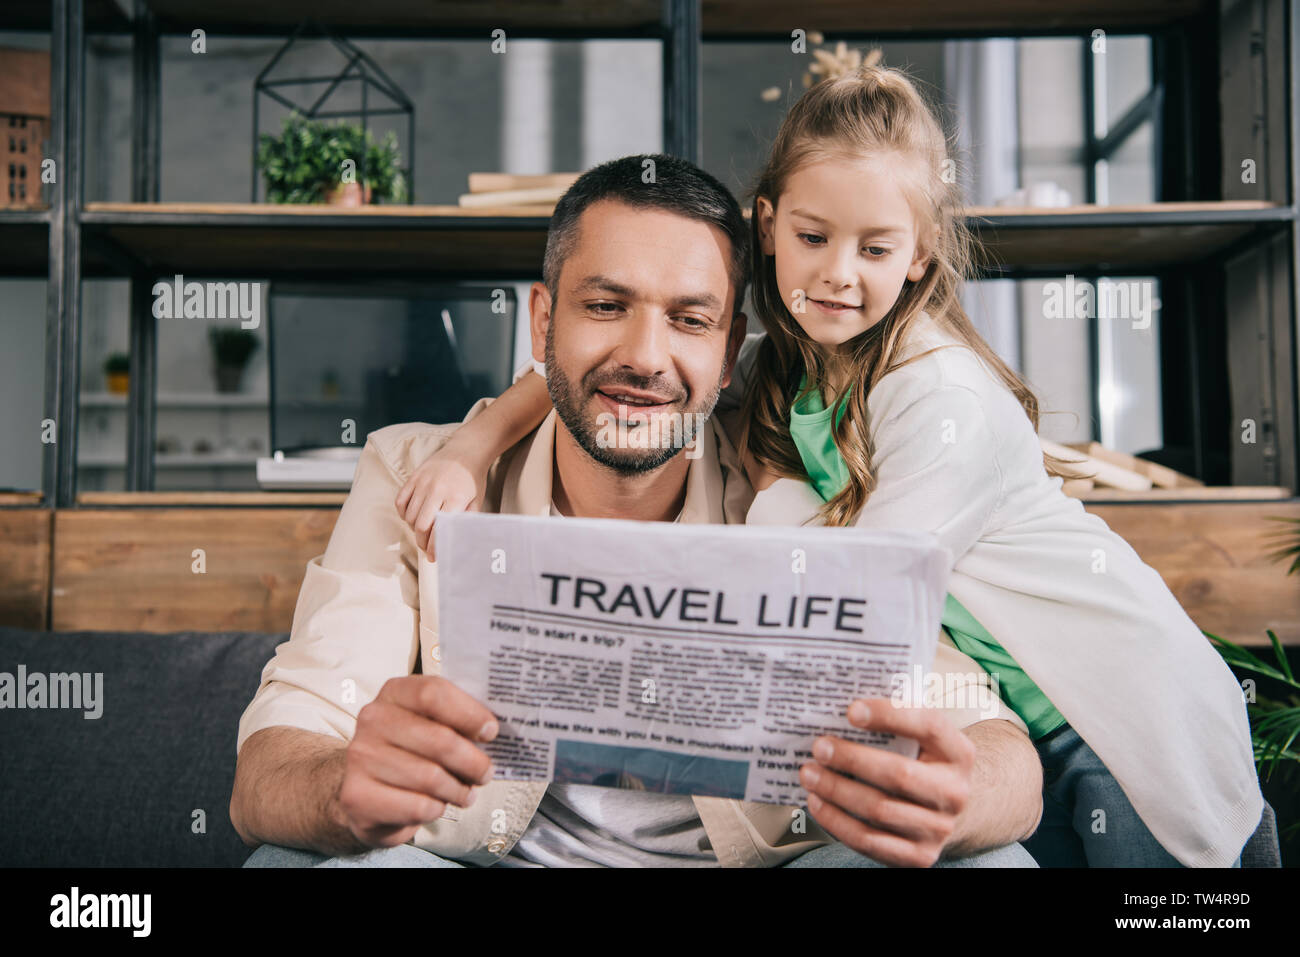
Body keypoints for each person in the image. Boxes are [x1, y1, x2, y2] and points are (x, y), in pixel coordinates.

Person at [393, 67, 1261, 868]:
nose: (838, 276)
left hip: (1116, 720)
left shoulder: (940, 398)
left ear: (920, 255)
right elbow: (604, 378)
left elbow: (860, 603)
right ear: (769, 224)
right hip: (1018, 717)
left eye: (876, 250)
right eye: (814, 236)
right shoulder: (793, 364)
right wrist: (472, 445)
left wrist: (762, 498)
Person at [231, 153, 1044, 868]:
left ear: (731, 355)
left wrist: (953, 795)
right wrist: (346, 788)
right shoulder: (412, 469)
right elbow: (270, 767)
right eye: (606, 306)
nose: (646, 358)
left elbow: (1001, 750)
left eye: (690, 320)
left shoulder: (805, 486)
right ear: (544, 322)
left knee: (991, 861)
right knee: (302, 860)